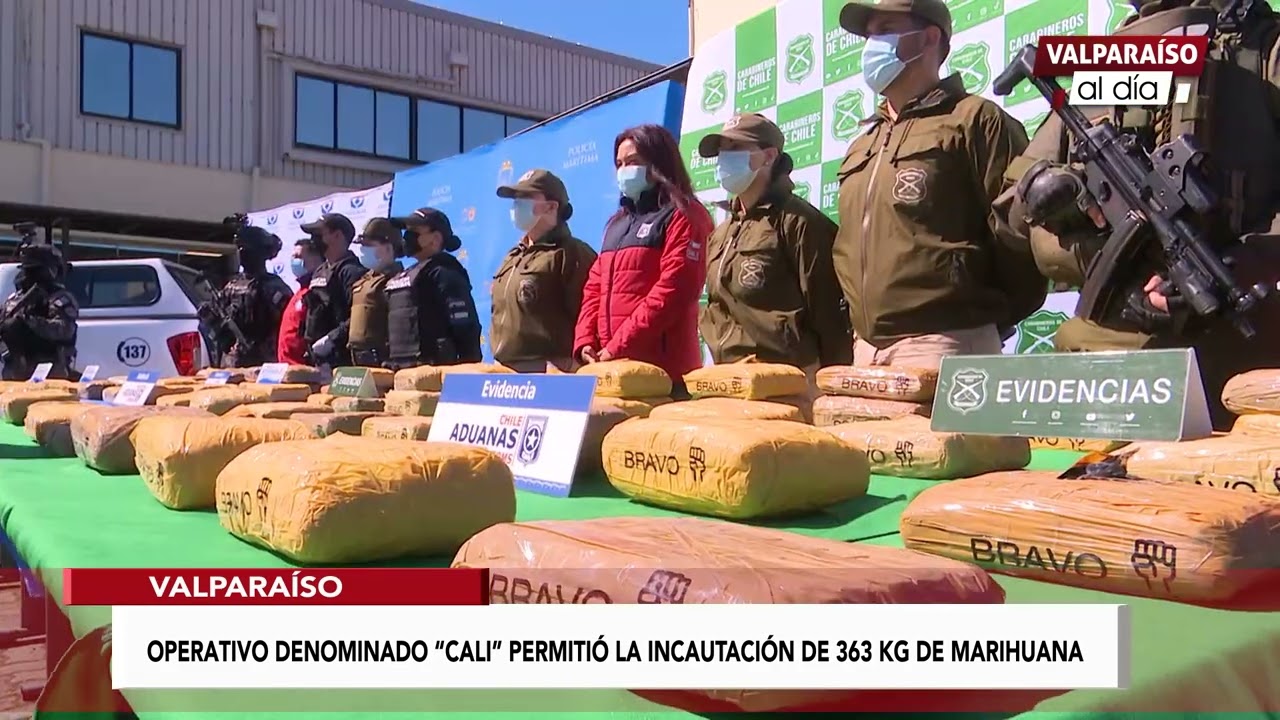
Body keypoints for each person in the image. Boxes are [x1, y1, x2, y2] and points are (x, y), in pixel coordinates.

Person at [992, 0, 1280, 429]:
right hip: (1103, 359)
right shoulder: (1117, 59)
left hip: (1232, 357)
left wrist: (1249, 261)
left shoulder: (1263, 50)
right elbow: (1012, 210)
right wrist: (1047, 189)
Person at [833, 0, 1045, 371]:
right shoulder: (863, 142)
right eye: (869, 35)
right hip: (866, 350)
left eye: (884, 30)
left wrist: (976, 317)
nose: (871, 45)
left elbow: (1020, 238)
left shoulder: (976, 120)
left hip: (946, 343)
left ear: (929, 38)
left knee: (958, 435)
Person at [696, 113, 852, 394]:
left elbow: (829, 313)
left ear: (768, 156)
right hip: (727, 378)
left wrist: (828, 387)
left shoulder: (799, 222)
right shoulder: (722, 232)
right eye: (721, 151)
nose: (723, 159)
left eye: (735, 149)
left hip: (785, 382)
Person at [573, 124, 714, 396]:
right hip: (611, 370)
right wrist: (585, 341)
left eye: (633, 162)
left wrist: (617, 347)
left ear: (658, 164)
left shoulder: (684, 215)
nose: (624, 170)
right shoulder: (617, 224)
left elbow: (673, 292)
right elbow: (594, 289)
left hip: (664, 377)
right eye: (619, 164)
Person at [491, 169, 598, 372]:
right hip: (504, 374)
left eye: (525, 197)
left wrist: (574, 366)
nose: (516, 205)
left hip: (550, 373)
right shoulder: (512, 256)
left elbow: (590, 316)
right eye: (515, 198)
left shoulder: (572, 253)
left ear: (551, 207)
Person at [384, 208, 483, 369]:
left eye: (415, 231)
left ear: (435, 239)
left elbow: (465, 327)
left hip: (434, 371)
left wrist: (468, 373)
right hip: (402, 369)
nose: (407, 237)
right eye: (407, 231)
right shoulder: (407, 274)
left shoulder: (445, 273)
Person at [200, 225, 292, 368]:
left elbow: (288, 324)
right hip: (231, 362)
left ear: (259, 252)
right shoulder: (232, 285)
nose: (242, 254)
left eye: (246, 250)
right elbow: (216, 319)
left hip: (262, 362)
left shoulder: (273, 286)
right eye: (240, 249)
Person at [0, 242, 78, 380]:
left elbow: (65, 330)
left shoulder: (58, 297)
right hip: (14, 370)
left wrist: (30, 322)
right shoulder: (15, 299)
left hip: (47, 371)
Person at [299, 213, 366, 367]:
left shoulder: (352, 271)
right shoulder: (319, 270)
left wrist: (331, 339)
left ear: (337, 236)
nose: (313, 240)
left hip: (339, 356)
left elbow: (357, 317)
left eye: (318, 234)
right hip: (314, 355)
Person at [347, 217, 405, 367]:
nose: (363, 250)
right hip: (358, 357)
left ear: (388, 248)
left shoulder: (397, 280)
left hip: (382, 358)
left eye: (369, 245)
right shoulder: (364, 280)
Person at [277, 237, 325, 365]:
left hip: (303, 368)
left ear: (316, 259)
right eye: (293, 257)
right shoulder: (299, 292)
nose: (294, 261)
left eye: (298, 257)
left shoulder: (316, 292)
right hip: (286, 366)